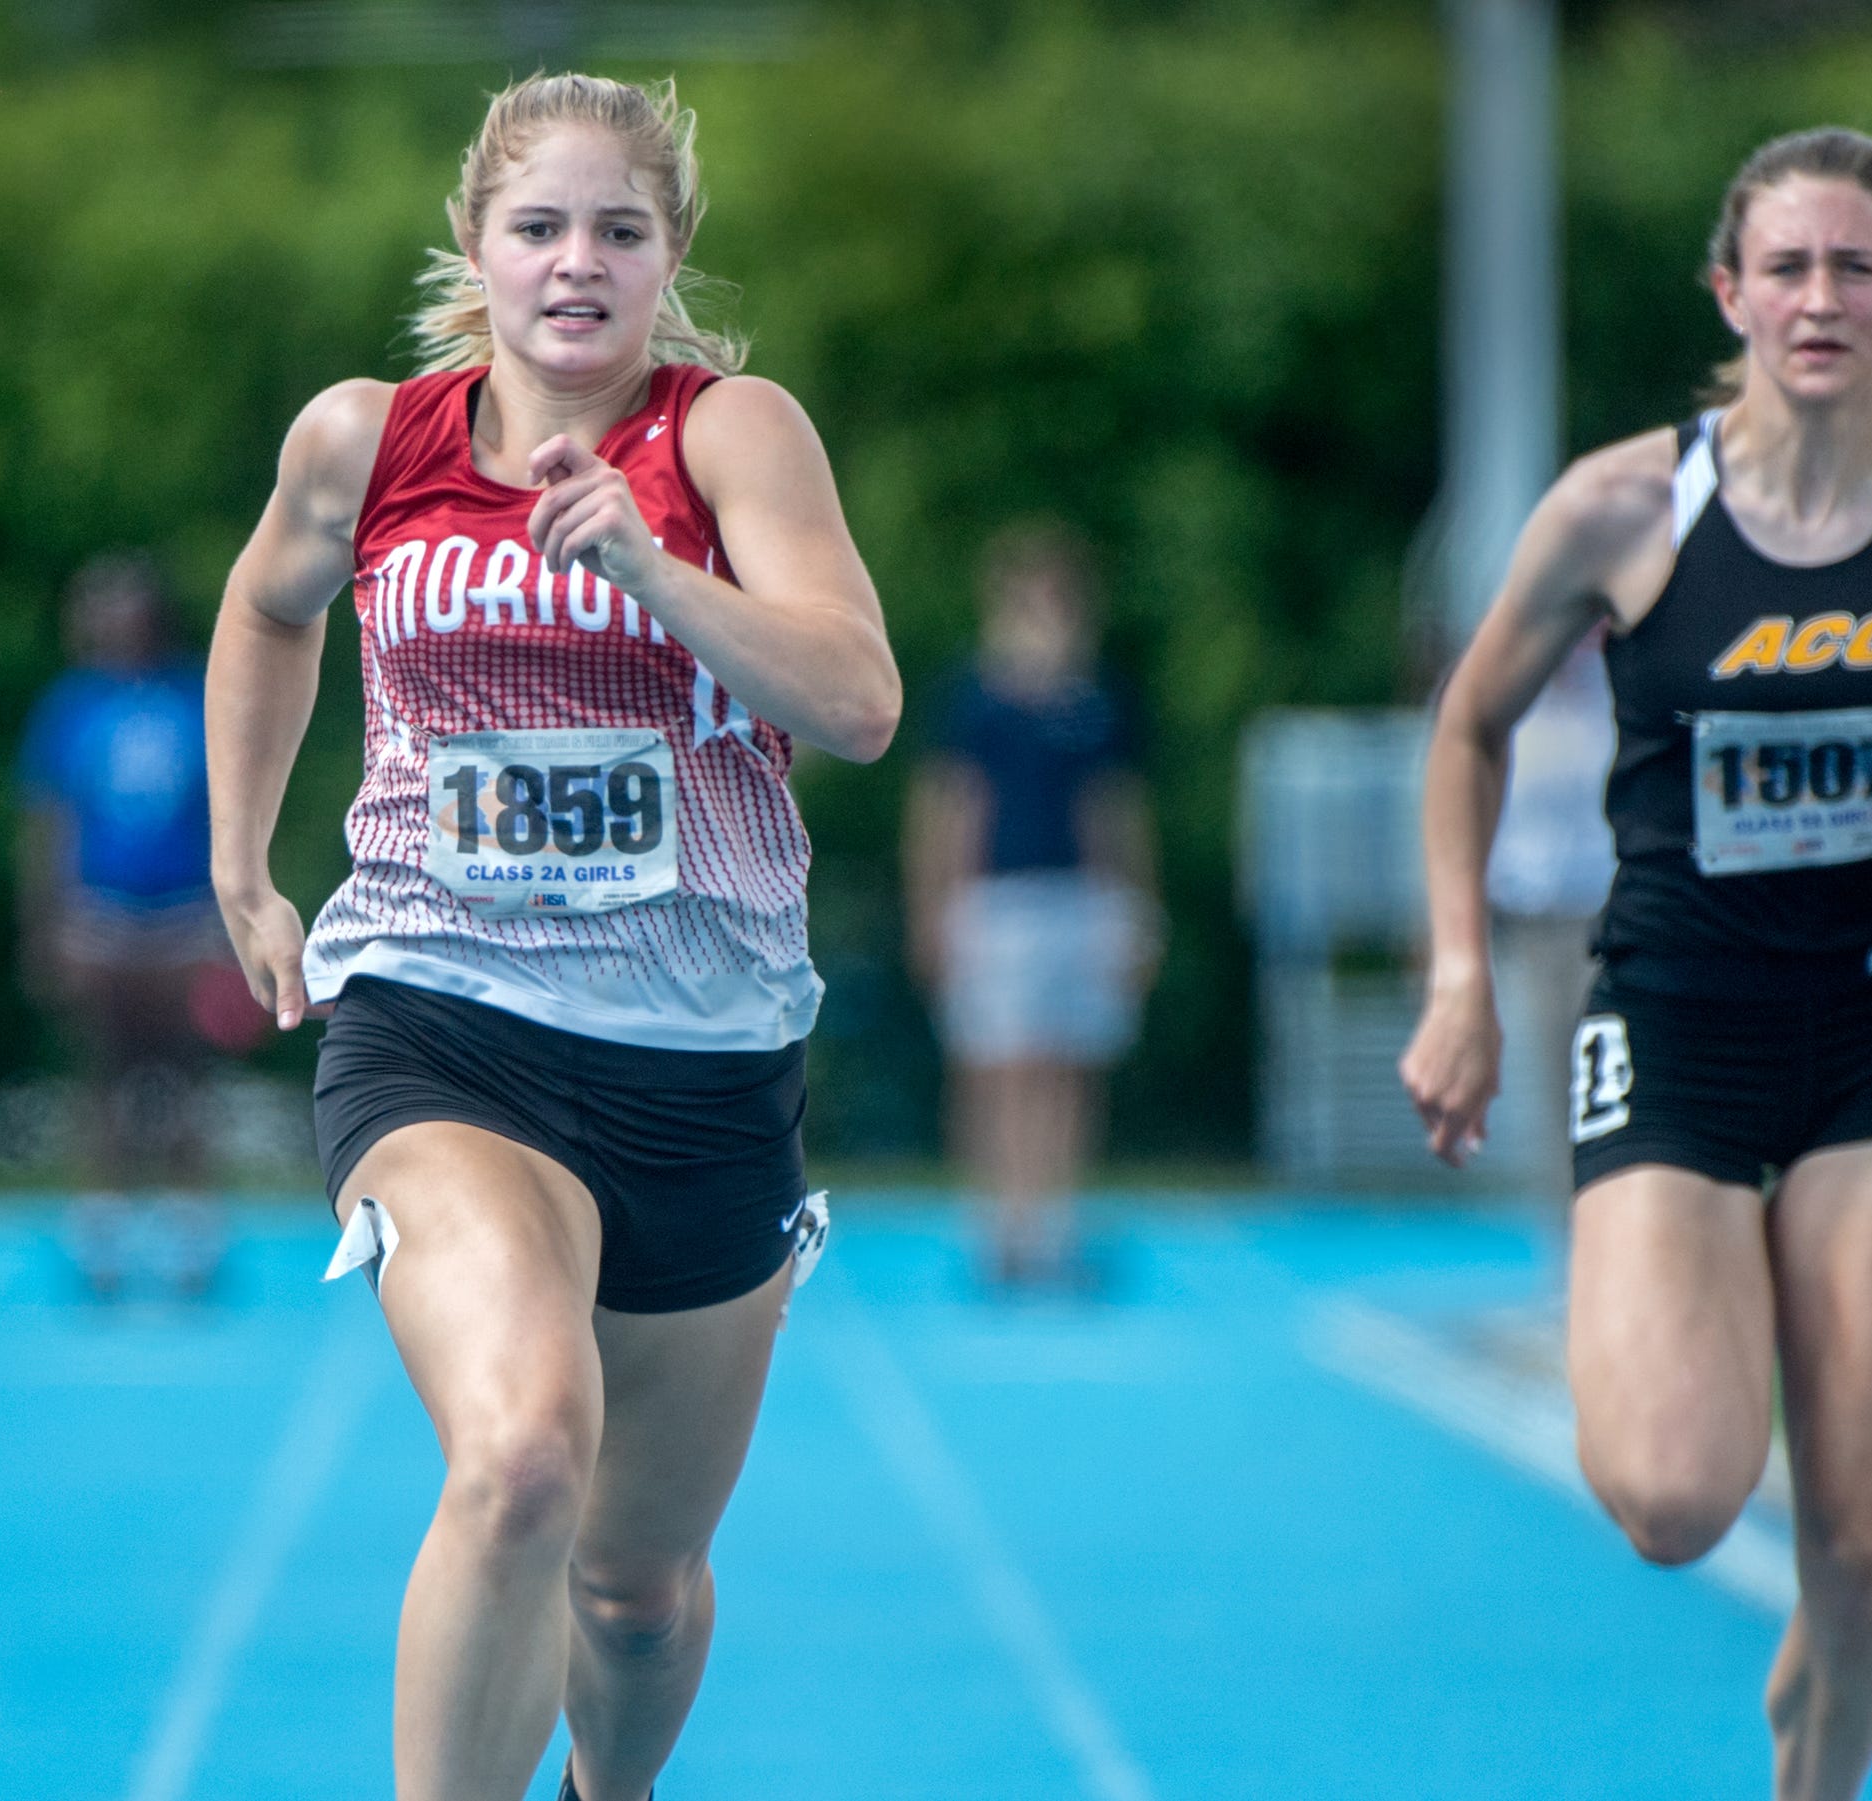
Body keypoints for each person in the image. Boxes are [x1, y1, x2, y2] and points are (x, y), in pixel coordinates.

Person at [206, 74, 899, 1801]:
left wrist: (656, 572)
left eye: (616, 230)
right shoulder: (366, 439)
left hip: (702, 1061)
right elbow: (266, 608)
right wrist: (240, 860)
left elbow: (863, 701)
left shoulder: (732, 437)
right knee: (519, 1457)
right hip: (440, 1020)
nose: (575, 264)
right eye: (538, 227)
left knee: (634, 1587)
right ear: (476, 245)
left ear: (669, 256)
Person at [1399, 129, 1872, 1801]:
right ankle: (1714, 1305)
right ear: (1731, 292)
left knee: (1863, 1539)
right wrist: (1462, 978)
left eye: (1855, 268)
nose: (1818, 298)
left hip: (1868, 1045)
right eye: (1786, 266)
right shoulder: (1627, 509)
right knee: (1678, 1499)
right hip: (1675, 1031)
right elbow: (1466, 725)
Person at [904, 521, 1159, 1293]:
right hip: (998, 903)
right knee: (997, 1070)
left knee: (1067, 1068)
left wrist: (1136, 907)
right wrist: (934, 908)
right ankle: (1001, 1224)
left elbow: (1116, 809)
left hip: (1079, 900)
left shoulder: (1096, 703)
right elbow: (948, 807)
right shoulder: (976, 697)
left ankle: (1054, 1224)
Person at [15, 553, 242, 1300]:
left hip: (182, 917)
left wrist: (229, 916)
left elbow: (228, 810)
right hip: (99, 918)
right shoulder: (69, 706)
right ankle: (104, 1232)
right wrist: (44, 926)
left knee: (185, 1078)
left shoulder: (194, 697)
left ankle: (189, 1233)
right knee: (104, 1079)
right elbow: (48, 823)